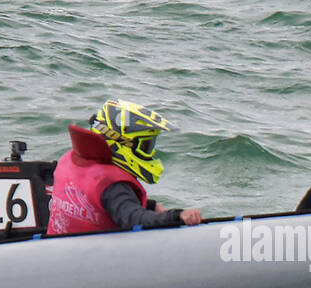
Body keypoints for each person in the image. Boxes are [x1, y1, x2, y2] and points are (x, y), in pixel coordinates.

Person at [47, 100, 203, 235]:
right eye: (146, 146)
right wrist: (177, 216)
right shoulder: (111, 183)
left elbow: (94, 200)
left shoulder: (69, 159)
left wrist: (151, 205)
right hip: (91, 260)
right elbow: (135, 219)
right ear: (121, 143)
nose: (151, 152)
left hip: (56, 249)